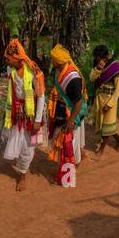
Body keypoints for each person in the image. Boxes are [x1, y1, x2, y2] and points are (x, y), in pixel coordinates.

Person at [1, 40, 46, 190]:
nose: (6, 60)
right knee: (9, 137)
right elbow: (11, 94)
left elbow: (40, 96)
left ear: (17, 59)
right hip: (16, 111)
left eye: (8, 58)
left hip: (30, 114)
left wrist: (38, 120)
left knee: (28, 144)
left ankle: (22, 175)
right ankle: (18, 162)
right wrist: (7, 112)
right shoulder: (12, 71)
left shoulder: (33, 71)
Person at [46, 45, 87, 185]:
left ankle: (67, 175)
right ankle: (71, 164)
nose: (51, 61)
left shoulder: (72, 78)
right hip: (62, 109)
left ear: (59, 61)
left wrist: (71, 120)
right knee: (67, 142)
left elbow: (79, 102)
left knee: (67, 143)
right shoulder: (59, 70)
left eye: (53, 59)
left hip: (72, 113)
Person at [89, 45, 119, 154]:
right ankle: (118, 139)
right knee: (102, 124)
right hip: (99, 99)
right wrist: (98, 69)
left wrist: (110, 104)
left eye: (98, 57)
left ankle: (101, 149)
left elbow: (118, 89)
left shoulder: (115, 66)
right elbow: (91, 78)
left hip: (110, 100)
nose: (97, 59)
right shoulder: (97, 65)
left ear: (104, 57)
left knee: (106, 125)